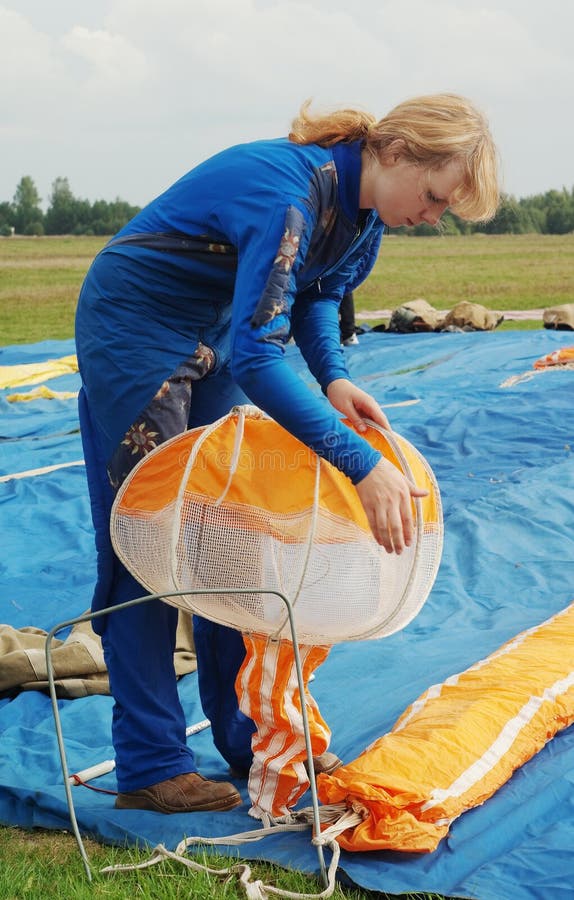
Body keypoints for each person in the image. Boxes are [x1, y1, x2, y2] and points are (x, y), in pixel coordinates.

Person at [75, 93, 499, 814]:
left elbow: (316, 300)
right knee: (149, 535)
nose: (431, 217)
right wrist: (358, 465)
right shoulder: (290, 194)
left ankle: (249, 734)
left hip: (213, 331)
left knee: (227, 531)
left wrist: (334, 379)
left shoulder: (363, 218)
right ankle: (150, 762)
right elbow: (260, 349)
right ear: (394, 152)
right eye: (432, 197)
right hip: (139, 328)